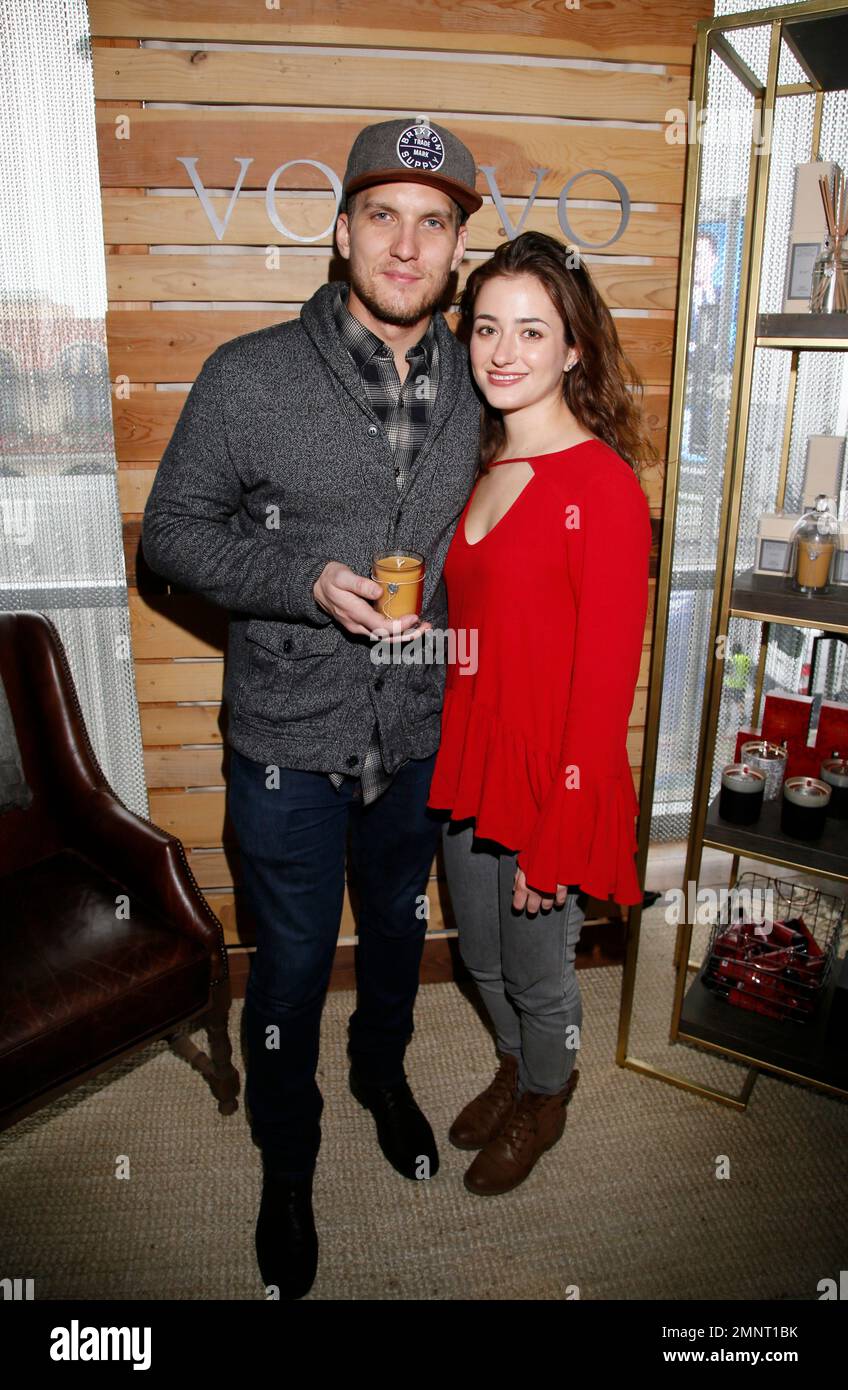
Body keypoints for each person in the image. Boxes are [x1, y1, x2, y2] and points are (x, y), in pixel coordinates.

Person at [141, 116, 483, 1299]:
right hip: (286, 741)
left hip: (418, 734)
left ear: (457, 250)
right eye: (381, 215)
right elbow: (170, 535)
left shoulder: (484, 382)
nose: (406, 244)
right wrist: (300, 580)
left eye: (432, 222)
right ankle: (287, 1165)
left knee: (394, 933)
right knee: (286, 968)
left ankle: (382, 1073)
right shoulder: (248, 375)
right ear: (341, 233)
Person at [426, 230, 654, 1196]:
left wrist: (558, 831)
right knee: (480, 958)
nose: (503, 350)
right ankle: (517, 1065)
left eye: (531, 330)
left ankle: (548, 1095)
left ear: (572, 349)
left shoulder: (602, 487)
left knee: (538, 971)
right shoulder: (482, 466)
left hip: (554, 773)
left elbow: (604, 685)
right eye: (486, 328)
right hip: (475, 760)